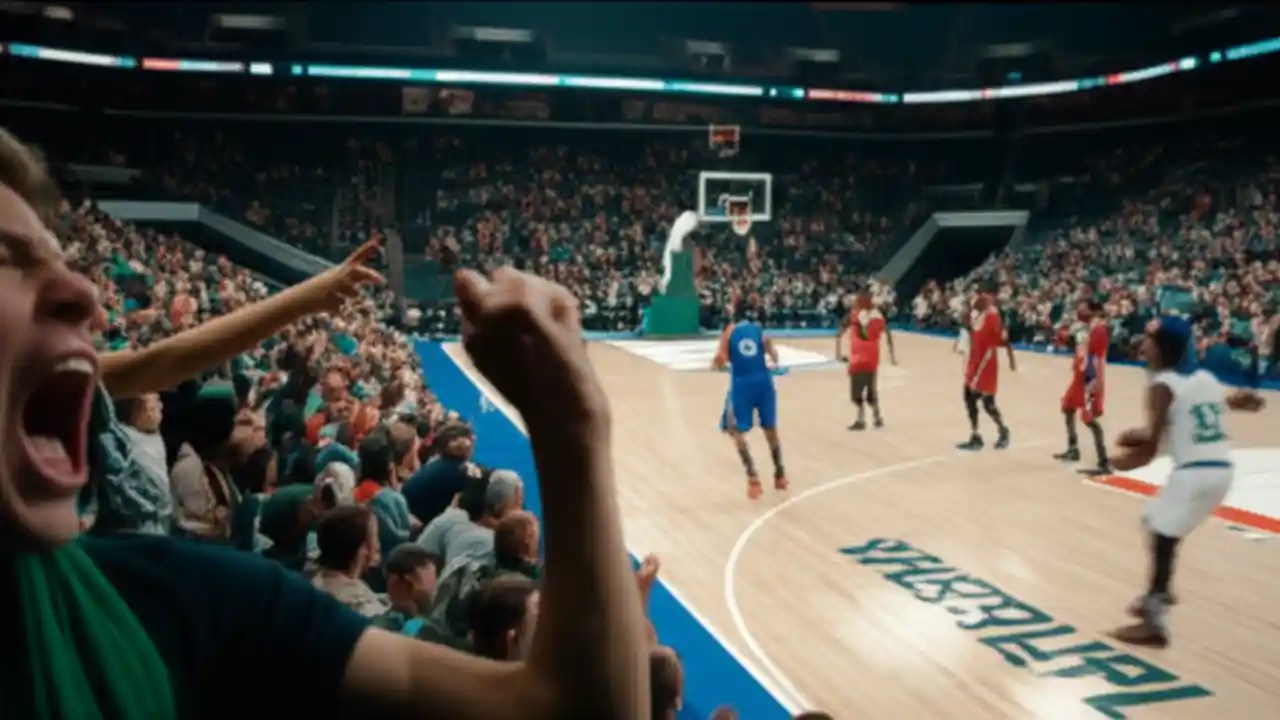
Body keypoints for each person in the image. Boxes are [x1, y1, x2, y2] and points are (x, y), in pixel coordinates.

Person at [0, 125, 648, 719]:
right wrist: (573, 434)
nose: (82, 293)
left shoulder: (190, 598)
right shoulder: (161, 604)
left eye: (62, 262)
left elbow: (567, 706)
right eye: (7, 257)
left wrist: (574, 429)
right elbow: (159, 359)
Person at [1108, 316, 1264, 648]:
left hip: (1193, 474)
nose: (1143, 344)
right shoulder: (1204, 378)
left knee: (1161, 532)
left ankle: (1154, 621)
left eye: (1149, 340)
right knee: (1156, 521)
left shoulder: (1162, 385)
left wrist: (1108, 465)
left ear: (1163, 348)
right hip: (1221, 472)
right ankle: (1160, 591)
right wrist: (1250, 400)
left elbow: (1150, 449)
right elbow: (1232, 402)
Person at [712, 305, 787, 499]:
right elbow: (774, 355)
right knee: (771, 430)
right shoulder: (759, 330)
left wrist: (714, 364)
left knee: (734, 429)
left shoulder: (729, 333)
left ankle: (753, 478)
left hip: (742, 386)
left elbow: (720, 360)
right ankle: (780, 474)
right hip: (764, 383)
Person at [1054, 300, 1111, 473]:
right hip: (1080, 375)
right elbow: (1077, 345)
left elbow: (1097, 359)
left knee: (1089, 418)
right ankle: (1073, 449)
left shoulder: (1100, 331)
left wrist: (1095, 384)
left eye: (1083, 308)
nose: (1080, 311)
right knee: (1067, 407)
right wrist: (1065, 337)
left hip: (1089, 377)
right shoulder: (1088, 328)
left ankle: (1104, 461)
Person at [956, 293, 1015, 451]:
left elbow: (998, 341)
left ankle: (1003, 430)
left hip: (986, 363)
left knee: (988, 402)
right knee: (968, 397)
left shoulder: (992, 316)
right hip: (975, 361)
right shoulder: (978, 316)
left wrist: (1010, 358)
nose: (972, 301)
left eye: (975, 299)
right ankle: (976, 435)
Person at [836, 291, 897, 431]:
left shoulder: (854, 314)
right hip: (872, 359)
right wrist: (892, 356)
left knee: (856, 394)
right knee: (871, 392)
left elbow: (839, 332)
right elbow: (888, 335)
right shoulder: (878, 316)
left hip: (858, 360)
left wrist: (839, 353)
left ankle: (861, 420)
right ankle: (877, 417)